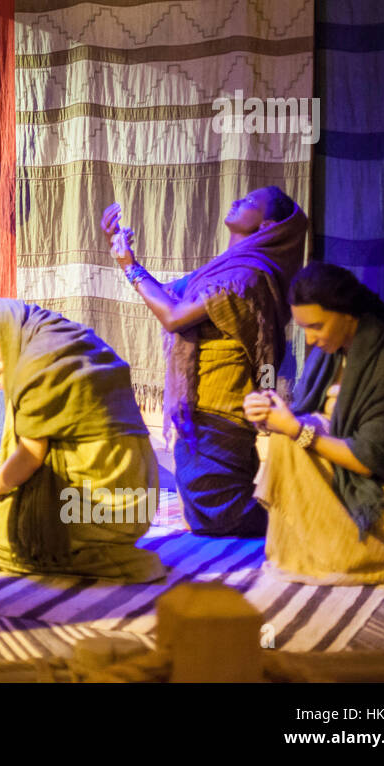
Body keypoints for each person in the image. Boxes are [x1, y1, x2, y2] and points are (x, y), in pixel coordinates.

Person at [244, 262, 384, 583]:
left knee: (292, 436)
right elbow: (313, 419)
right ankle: (323, 547)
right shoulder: (330, 351)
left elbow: (367, 460)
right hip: (351, 473)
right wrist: (268, 414)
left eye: (316, 326)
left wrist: (294, 428)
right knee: (285, 438)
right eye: (304, 327)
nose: (309, 339)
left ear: (348, 314)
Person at [101, 187, 307, 537]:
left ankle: (302, 527)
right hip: (201, 410)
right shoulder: (224, 270)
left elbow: (173, 316)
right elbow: (167, 295)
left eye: (251, 202)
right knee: (206, 514)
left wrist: (130, 266)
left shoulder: (247, 278)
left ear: (267, 225)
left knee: (219, 517)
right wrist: (124, 254)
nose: (239, 200)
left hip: (220, 412)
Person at [0, 300, 165, 582]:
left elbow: (30, 456)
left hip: (99, 511)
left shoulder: (36, 367)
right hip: (141, 506)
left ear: (10, 333)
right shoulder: (73, 339)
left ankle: (103, 554)